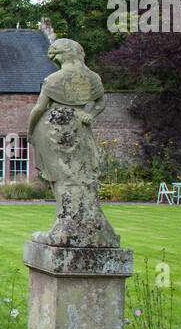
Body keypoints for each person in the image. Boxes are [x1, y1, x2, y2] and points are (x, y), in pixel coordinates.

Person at [28, 38, 120, 247]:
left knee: (62, 179)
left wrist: (30, 130)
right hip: (80, 130)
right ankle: (94, 228)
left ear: (61, 54)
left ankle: (65, 230)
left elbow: (38, 109)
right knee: (83, 176)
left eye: (55, 56)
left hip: (54, 131)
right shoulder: (93, 78)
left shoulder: (53, 79)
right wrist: (89, 114)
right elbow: (101, 103)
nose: (55, 60)